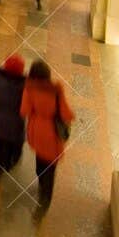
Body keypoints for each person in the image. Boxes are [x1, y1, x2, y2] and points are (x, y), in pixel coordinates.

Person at [19, 60, 74, 212]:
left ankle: (42, 185)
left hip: (37, 131)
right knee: (50, 167)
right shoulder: (57, 90)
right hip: (52, 134)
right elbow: (65, 113)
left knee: (40, 163)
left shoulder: (29, 89)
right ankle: (45, 199)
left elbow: (24, 111)